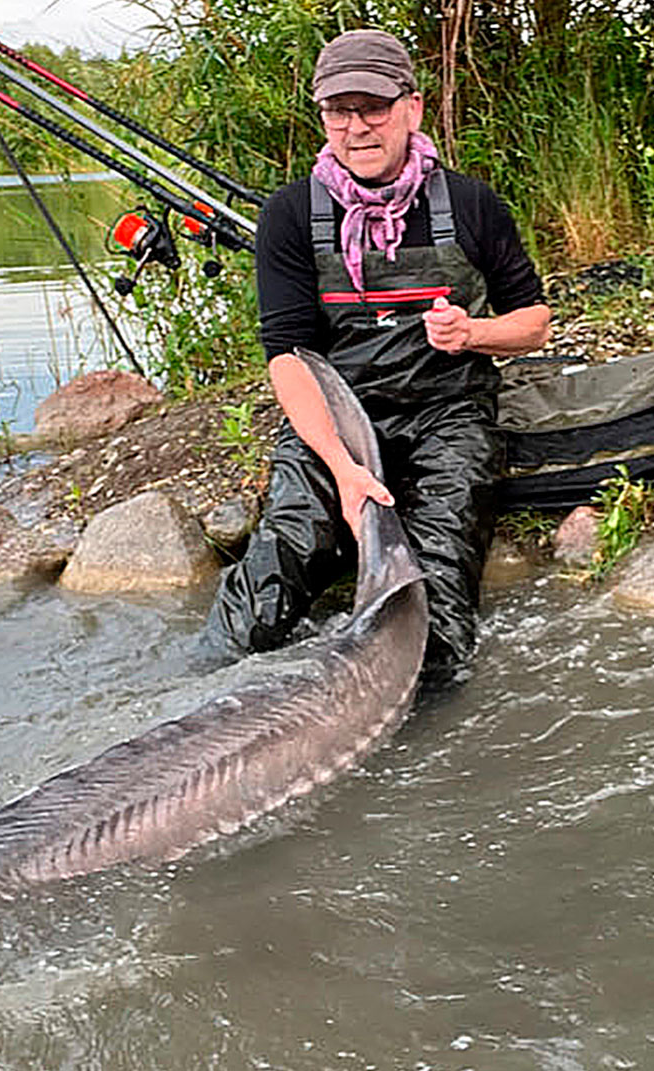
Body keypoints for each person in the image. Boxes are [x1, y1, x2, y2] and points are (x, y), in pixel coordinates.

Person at [202, 27, 552, 689]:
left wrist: (472, 333)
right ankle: (204, 705)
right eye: (340, 111)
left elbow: (535, 323)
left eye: (374, 108)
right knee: (268, 588)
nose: (357, 127)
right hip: (338, 416)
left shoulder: (472, 204)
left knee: (435, 615)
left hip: (449, 413)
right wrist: (342, 469)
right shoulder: (289, 214)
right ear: (323, 116)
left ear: (413, 108)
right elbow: (287, 355)